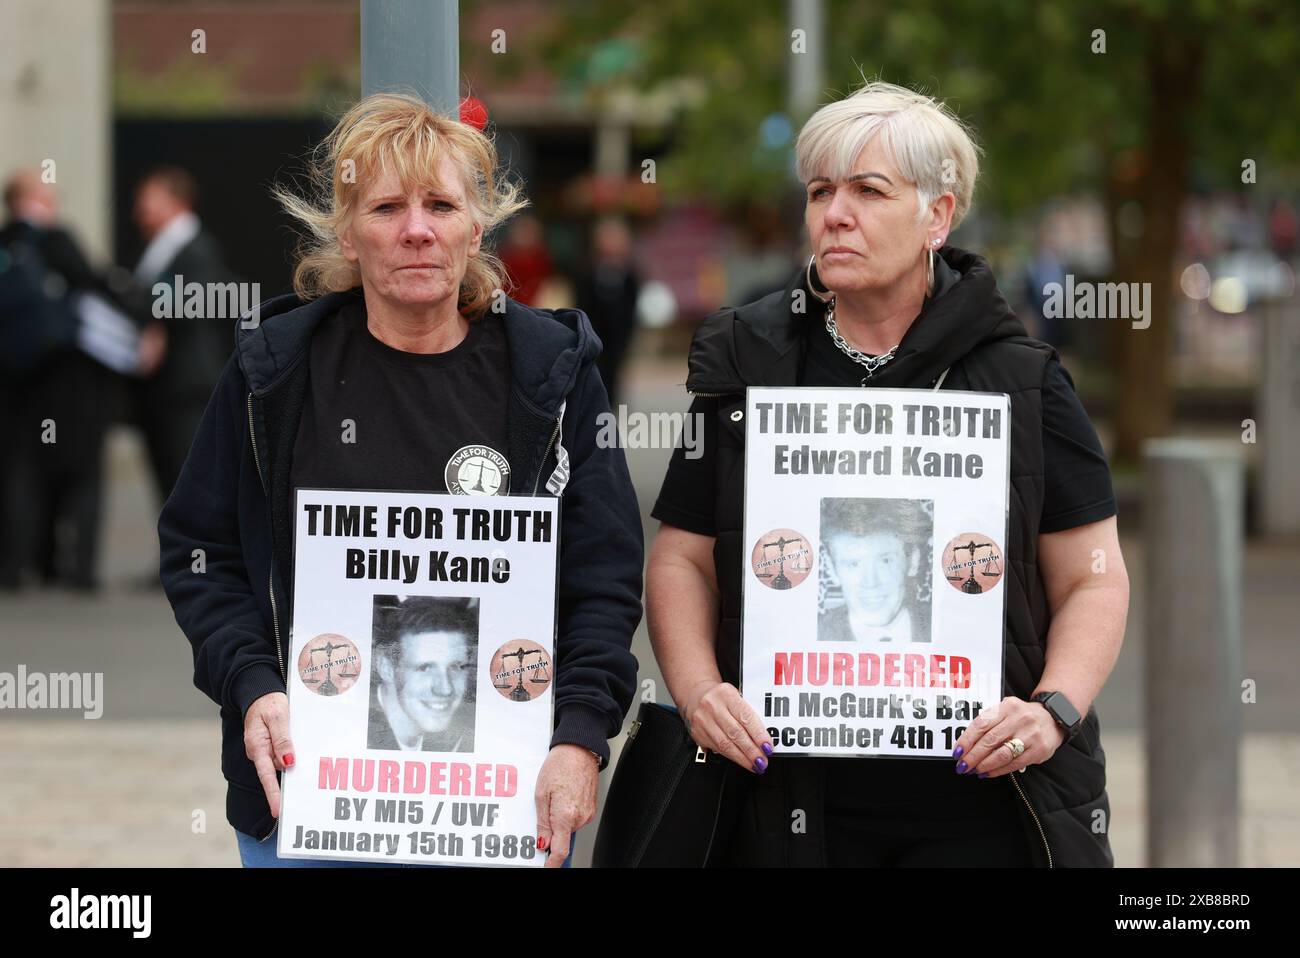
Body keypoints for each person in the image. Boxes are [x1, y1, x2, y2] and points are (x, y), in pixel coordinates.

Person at [646, 80, 1129, 867]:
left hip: (986, 807)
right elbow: (681, 557)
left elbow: (1095, 579)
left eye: (869, 191)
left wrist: (1054, 711)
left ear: (937, 216)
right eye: (820, 191)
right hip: (785, 803)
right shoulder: (750, 367)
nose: (834, 214)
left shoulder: (1024, 381)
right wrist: (699, 691)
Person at [158, 93, 643, 868]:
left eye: (441, 205)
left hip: (502, 797)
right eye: (386, 207)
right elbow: (200, 549)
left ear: (477, 226)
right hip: (309, 798)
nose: (416, 229)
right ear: (346, 233)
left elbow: (604, 576)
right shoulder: (272, 376)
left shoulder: (550, 378)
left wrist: (581, 736)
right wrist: (253, 686)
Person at [0, 170, 152, 590]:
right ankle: (80, 568)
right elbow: (97, 282)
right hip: (74, 380)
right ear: (31, 199)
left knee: (23, 471)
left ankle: (17, 566)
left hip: (19, 381)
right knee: (84, 472)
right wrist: (143, 319)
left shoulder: (6, 243)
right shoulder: (56, 239)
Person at [131, 166, 238, 502]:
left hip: (186, 386)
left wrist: (135, 301)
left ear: (176, 201)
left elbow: (190, 302)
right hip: (164, 388)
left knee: (186, 479)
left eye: (149, 199)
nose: (141, 210)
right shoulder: (164, 247)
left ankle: (191, 555)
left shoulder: (196, 248)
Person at [368, 596, 476, 753]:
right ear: (386, 668)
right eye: (425, 668)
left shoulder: (462, 739)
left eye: (456, 667)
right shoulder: (354, 733)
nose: (445, 689)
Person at [818, 498, 932, 644]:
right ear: (832, 569)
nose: (870, 583)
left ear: (913, 561)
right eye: (853, 564)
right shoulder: (813, 634)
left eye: (885, 561)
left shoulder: (944, 626)